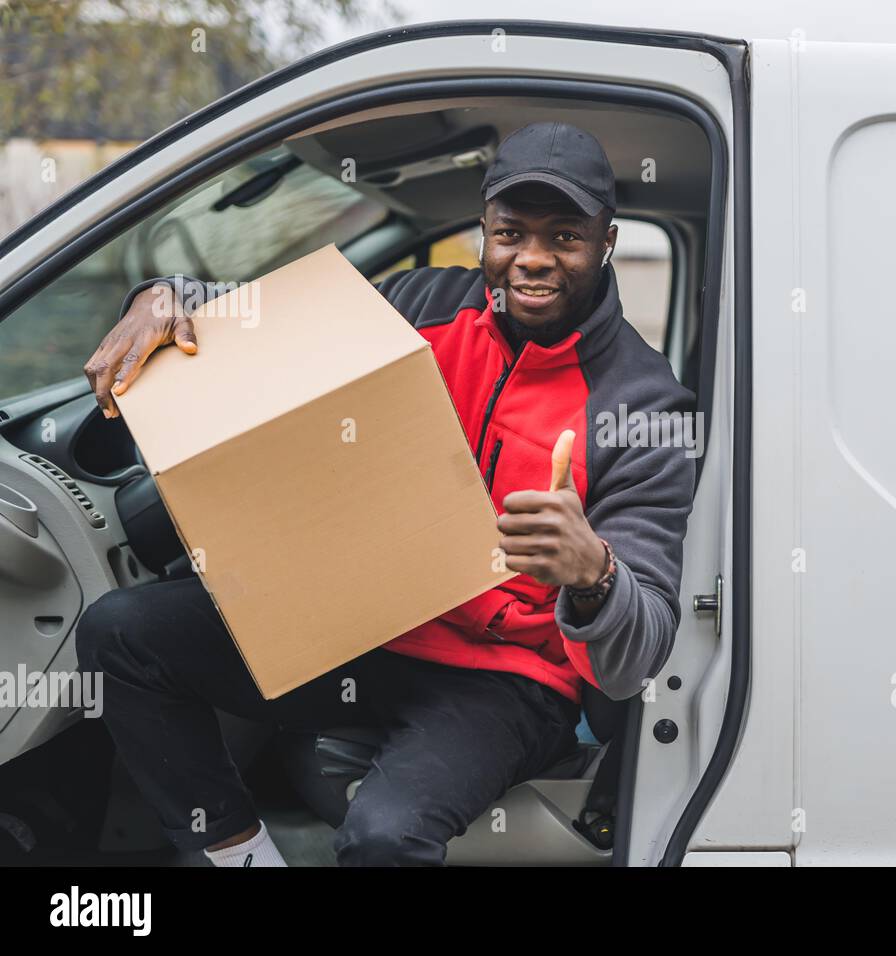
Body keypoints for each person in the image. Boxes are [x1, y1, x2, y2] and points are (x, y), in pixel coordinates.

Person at [75, 121, 696, 866]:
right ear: (484, 235)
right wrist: (163, 295)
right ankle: (242, 856)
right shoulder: (421, 304)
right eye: (510, 233)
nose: (532, 258)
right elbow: (265, 319)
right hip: (366, 623)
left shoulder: (648, 406)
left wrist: (591, 573)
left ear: (606, 241)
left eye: (564, 236)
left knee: (384, 835)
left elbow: (641, 651)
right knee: (121, 631)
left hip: (507, 679)